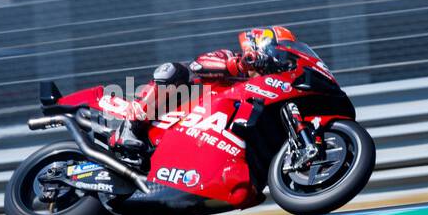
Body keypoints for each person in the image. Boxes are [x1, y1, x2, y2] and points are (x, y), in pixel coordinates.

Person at [108, 26, 296, 156]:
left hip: (204, 142)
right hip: (181, 110)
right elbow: (197, 65)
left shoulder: (267, 93)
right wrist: (239, 64)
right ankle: (130, 127)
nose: (281, 59)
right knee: (174, 70)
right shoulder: (232, 59)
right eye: (279, 52)